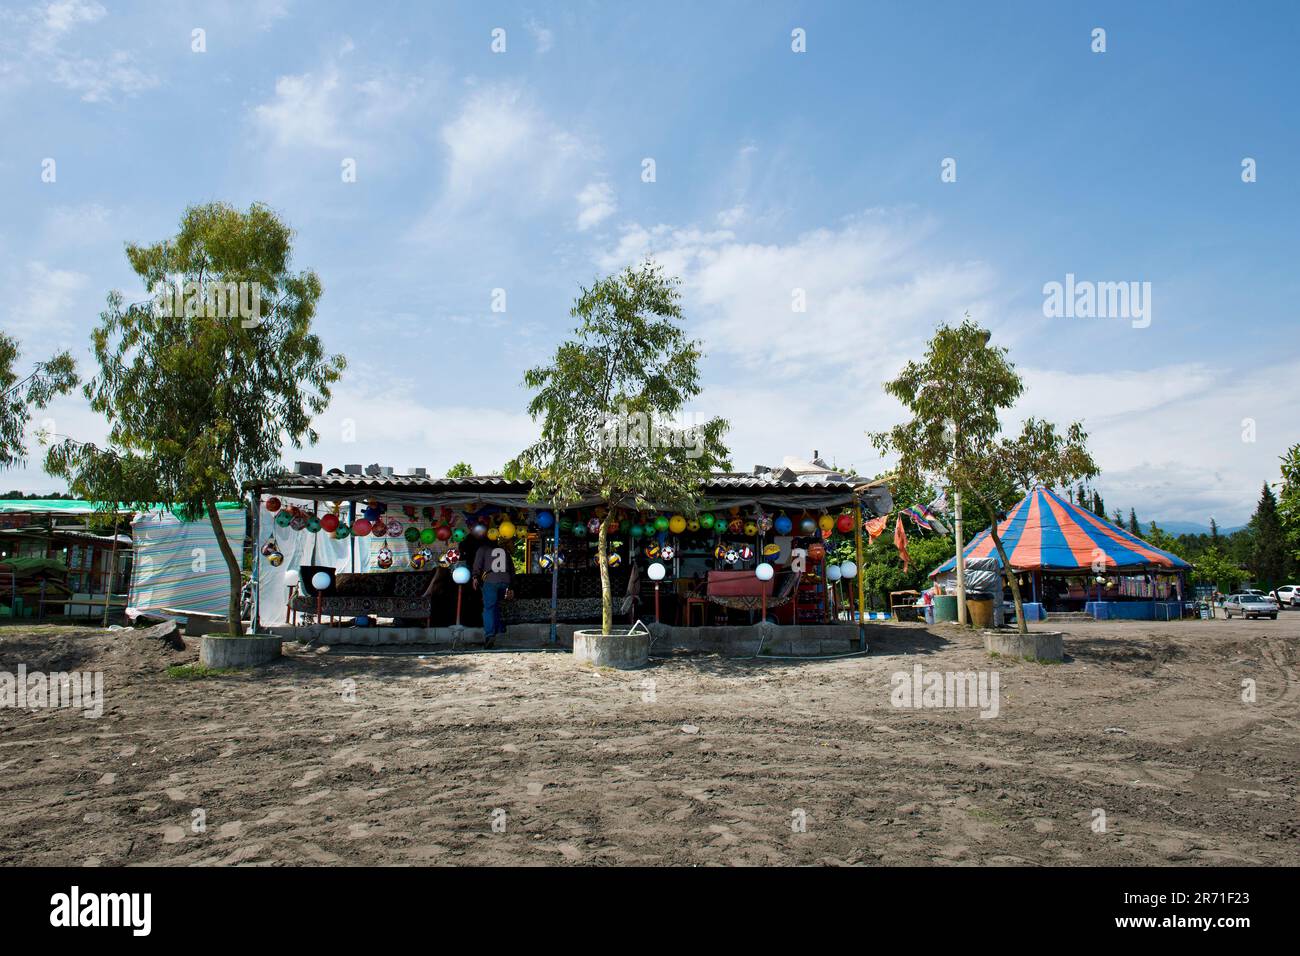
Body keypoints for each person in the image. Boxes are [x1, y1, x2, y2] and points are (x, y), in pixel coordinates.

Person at [473, 538, 515, 647]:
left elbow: (477, 565)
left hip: (491, 580)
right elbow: (512, 570)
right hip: (505, 580)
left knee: (489, 608)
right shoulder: (504, 550)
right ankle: (500, 629)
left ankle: (490, 635)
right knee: (495, 605)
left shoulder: (483, 549)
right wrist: (511, 587)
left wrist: (475, 577)